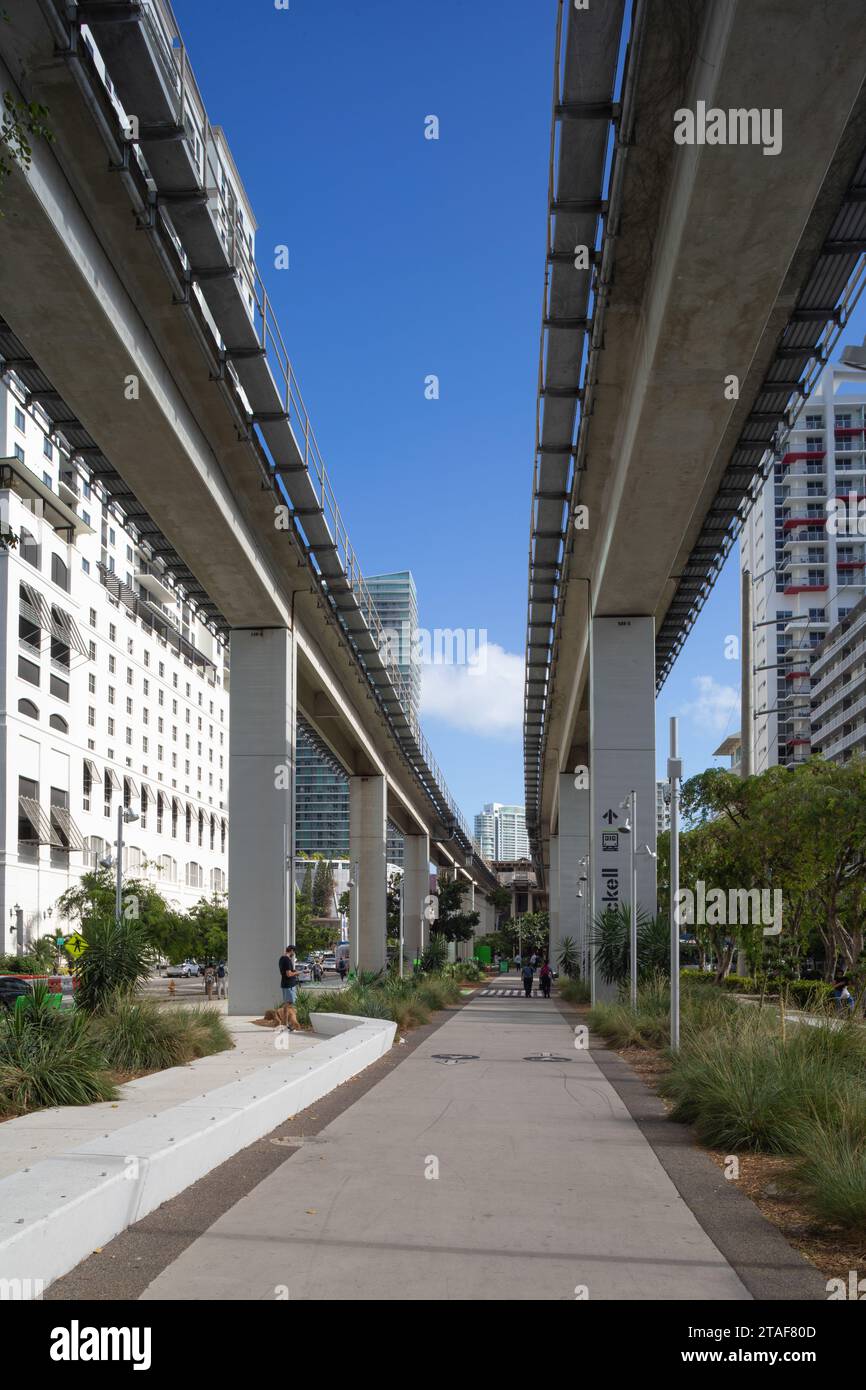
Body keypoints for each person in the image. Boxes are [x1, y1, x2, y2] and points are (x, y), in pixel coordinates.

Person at [277, 945, 300, 1031]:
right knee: (289, 1004)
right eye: (294, 952)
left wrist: (293, 971)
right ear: (291, 950)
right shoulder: (286, 960)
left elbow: (286, 972)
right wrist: (297, 973)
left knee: (287, 1004)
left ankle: (285, 1024)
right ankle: (288, 1024)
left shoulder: (281, 958)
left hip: (285, 984)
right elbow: (288, 974)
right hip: (289, 985)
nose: (294, 954)